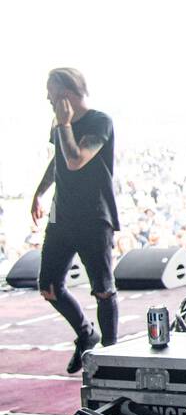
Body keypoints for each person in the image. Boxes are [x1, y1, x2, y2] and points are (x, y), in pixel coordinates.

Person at [30, 68, 120, 372]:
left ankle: (111, 356)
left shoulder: (99, 121)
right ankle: (86, 334)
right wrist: (40, 192)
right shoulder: (59, 124)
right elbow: (59, 159)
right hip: (62, 217)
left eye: (51, 92)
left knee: (103, 289)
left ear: (66, 93)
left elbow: (75, 159)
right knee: (49, 286)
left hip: (94, 217)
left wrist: (65, 124)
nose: (47, 97)